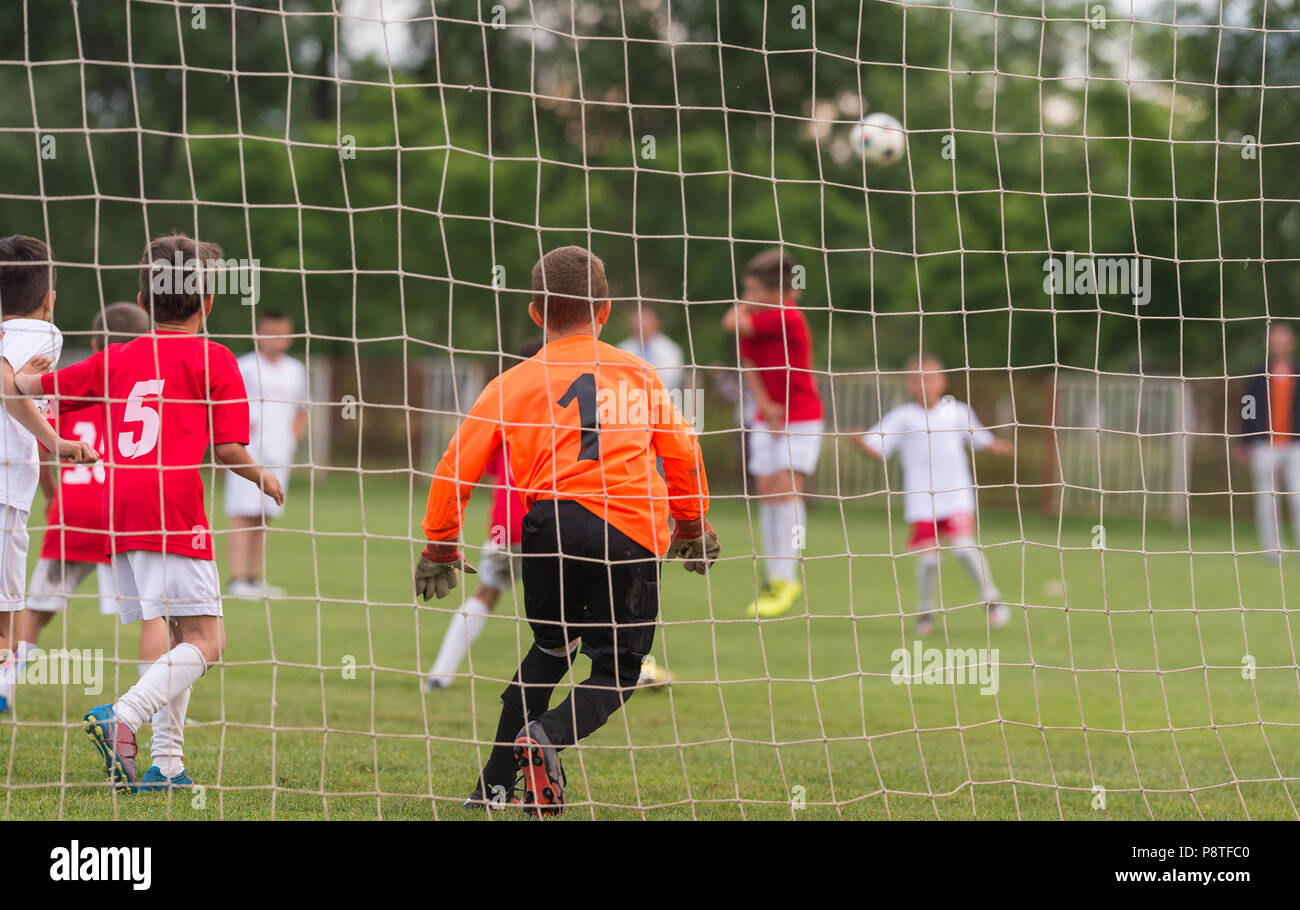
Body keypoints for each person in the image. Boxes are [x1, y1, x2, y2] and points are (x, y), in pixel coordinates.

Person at [416, 245, 719, 816]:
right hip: (630, 528)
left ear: (535, 313)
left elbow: (456, 466)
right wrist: (693, 523)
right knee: (618, 669)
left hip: (551, 525)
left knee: (552, 646)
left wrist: (440, 544)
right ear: (605, 312)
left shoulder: (514, 381)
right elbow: (682, 451)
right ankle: (546, 736)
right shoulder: (639, 373)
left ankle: (494, 786)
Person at [17, 232, 284, 792]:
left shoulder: (116, 357)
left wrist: (24, 372)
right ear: (209, 303)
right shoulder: (216, 358)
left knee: (177, 635)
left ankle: (166, 764)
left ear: (142, 303)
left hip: (120, 515)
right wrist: (262, 475)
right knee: (209, 642)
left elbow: (28, 386)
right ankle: (126, 715)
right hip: (174, 510)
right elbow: (229, 448)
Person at [4, 303, 167, 714]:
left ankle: (5, 685)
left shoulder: (71, 385)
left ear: (95, 344)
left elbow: (42, 444)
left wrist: (51, 494)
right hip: (121, 513)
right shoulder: (146, 393)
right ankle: (153, 702)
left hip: (73, 511)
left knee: (36, 607)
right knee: (154, 613)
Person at [0, 235, 99, 714]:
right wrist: (56, 442)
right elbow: (6, 385)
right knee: (5, 617)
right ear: (49, 298)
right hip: (4, 488)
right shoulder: (44, 333)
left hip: (15, 486)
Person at [851, 355, 1014, 636]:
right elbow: (875, 449)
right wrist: (858, 443)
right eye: (916, 379)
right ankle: (925, 612)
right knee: (929, 559)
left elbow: (981, 440)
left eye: (930, 378)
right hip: (922, 501)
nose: (923, 384)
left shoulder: (956, 411)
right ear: (909, 384)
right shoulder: (902, 417)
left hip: (957, 496)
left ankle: (992, 600)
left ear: (942, 381)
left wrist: (1000, 446)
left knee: (964, 549)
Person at [423, 338, 542, 690]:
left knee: (487, 591)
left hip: (507, 529)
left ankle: (440, 674)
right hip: (557, 526)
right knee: (585, 602)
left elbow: (479, 465)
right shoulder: (564, 411)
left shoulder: (502, 409)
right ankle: (621, 670)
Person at [722, 249, 824, 618]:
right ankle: (773, 574)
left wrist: (744, 304)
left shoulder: (788, 316)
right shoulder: (763, 314)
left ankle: (789, 575)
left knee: (788, 488)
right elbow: (747, 358)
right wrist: (763, 403)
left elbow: (731, 321)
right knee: (767, 491)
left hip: (800, 416)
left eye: (751, 288)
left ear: (773, 290)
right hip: (767, 416)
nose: (746, 295)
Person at [224, 308, 308, 598]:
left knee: (265, 514)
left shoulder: (296, 370)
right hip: (246, 452)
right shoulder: (245, 366)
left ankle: (254, 577)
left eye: (282, 334)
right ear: (259, 334)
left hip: (278, 453)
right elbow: (228, 407)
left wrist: (289, 441)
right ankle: (236, 578)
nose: (276, 340)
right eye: (270, 333)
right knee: (242, 512)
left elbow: (301, 411)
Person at [1237, 322, 1300, 563]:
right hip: (1265, 446)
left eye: (1284, 338)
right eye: (1276, 339)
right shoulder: (1257, 374)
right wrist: (1244, 441)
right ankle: (1272, 550)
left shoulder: (1298, 370)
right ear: (1270, 343)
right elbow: (1247, 409)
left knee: (1297, 497)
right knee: (1266, 499)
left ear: (1291, 342)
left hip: (1295, 445)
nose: (1280, 343)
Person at [617, 305, 684, 396]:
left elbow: (669, 379)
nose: (643, 324)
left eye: (646, 320)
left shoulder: (671, 349)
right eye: (638, 320)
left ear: (656, 322)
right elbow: (618, 378)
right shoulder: (621, 349)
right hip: (630, 400)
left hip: (663, 400)